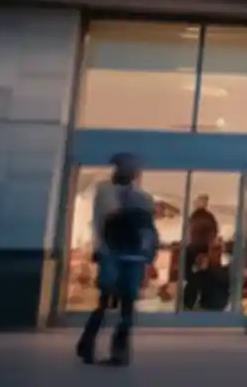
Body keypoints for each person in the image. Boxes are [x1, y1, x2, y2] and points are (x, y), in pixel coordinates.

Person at [76, 153, 159, 366]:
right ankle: (101, 346)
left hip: (120, 254)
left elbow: (104, 222)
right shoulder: (132, 195)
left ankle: (101, 346)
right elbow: (143, 228)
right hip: (122, 254)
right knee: (117, 302)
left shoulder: (117, 193)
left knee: (116, 302)